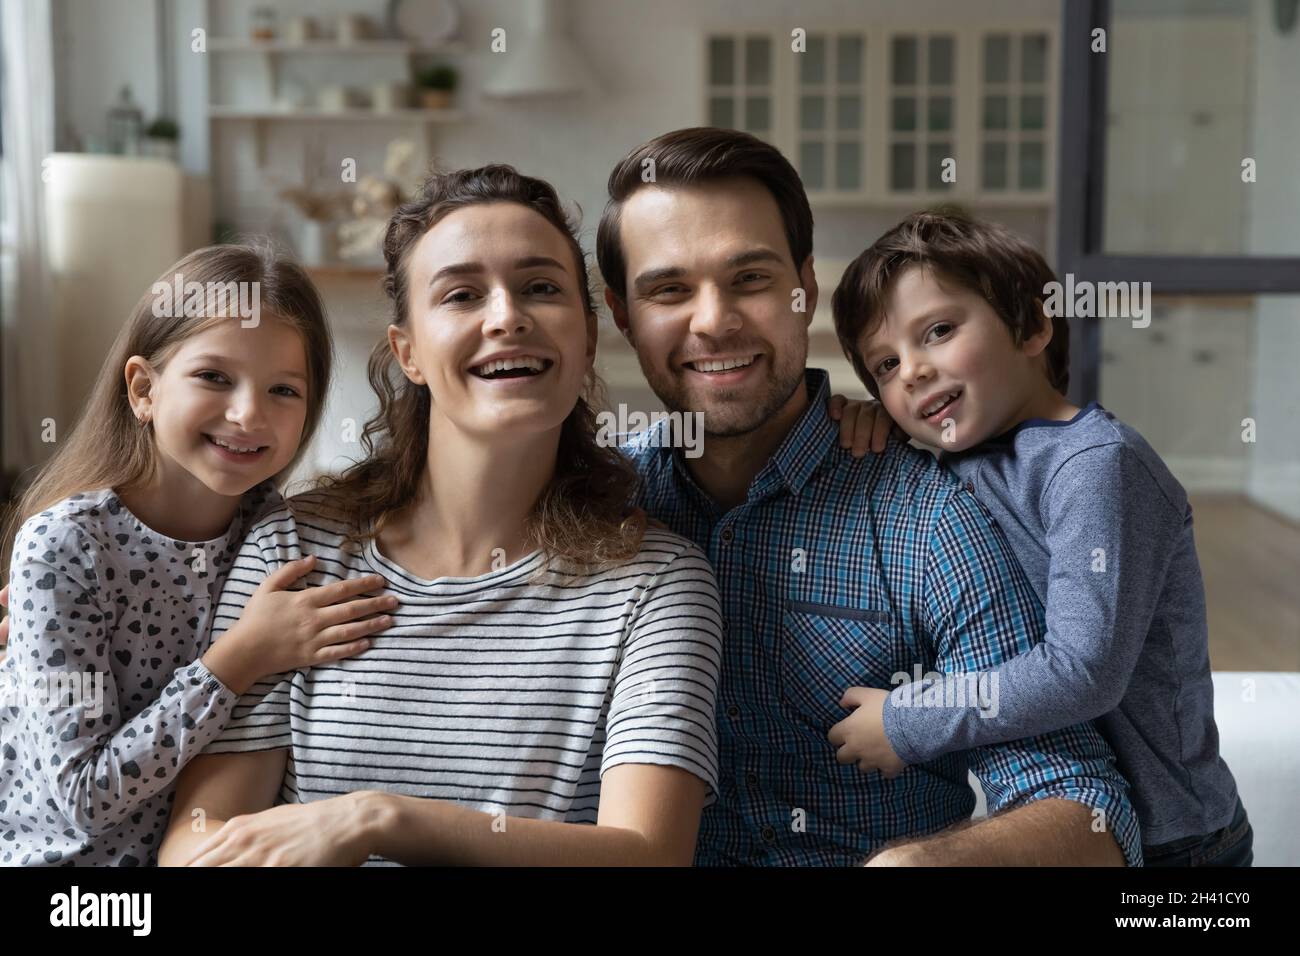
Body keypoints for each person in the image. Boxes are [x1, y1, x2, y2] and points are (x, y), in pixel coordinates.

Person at [597, 127, 1142, 866]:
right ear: (623, 315)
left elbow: (1088, 808)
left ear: (806, 288)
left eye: (750, 279)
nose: (713, 320)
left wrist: (924, 864)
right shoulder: (597, 509)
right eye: (669, 289)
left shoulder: (932, 517)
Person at [157, 165, 723, 867]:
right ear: (409, 352)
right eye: (461, 294)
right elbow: (194, 846)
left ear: (585, 337)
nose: (506, 316)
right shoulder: (295, 549)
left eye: (541, 288)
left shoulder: (658, 583)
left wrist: (380, 819)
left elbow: (650, 858)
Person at [826, 209, 1251, 867]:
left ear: (1030, 326)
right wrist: (860, 423)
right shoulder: (975, 451)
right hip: (1059, 821)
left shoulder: (1095, 465)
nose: (910, 372)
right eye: (884, 365)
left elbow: (1085, 672)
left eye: (937, 332)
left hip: (1177, 840)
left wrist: (908, 721)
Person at [0, 243, 390, 865]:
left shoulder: (277, 536)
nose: (247, 414)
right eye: (214, 377)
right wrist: (239, 658)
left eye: (283, 390)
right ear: (143, 388)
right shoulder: (66, 546)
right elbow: (83, 795)